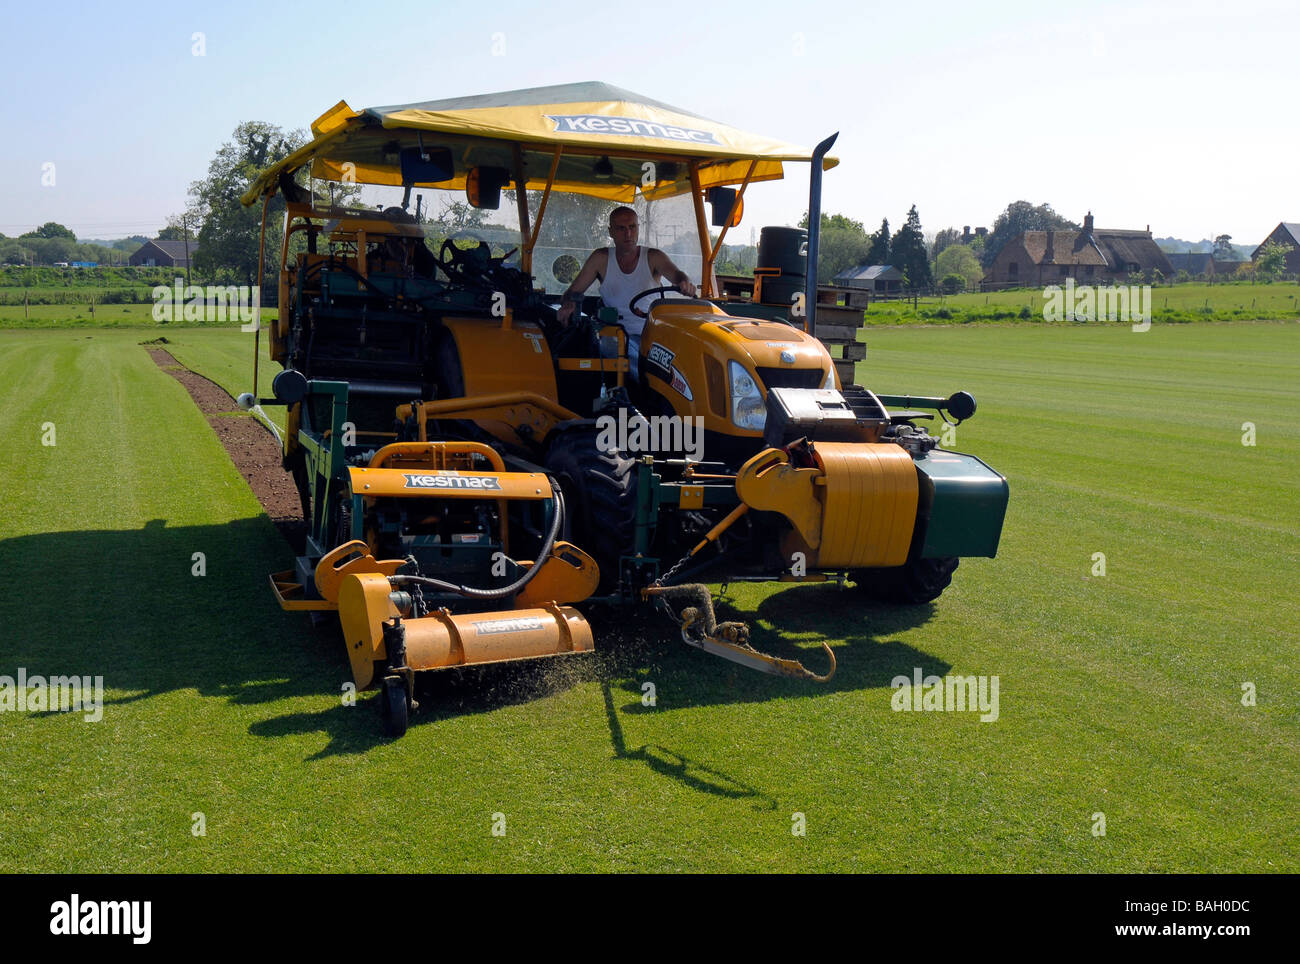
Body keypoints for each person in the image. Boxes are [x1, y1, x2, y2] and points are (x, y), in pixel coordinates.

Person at [556, 206, 697, 378]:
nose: (628, 234)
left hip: (652, 336)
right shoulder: (601, 259)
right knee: (634, 358)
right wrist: (570, 302)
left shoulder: (653, 257)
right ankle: (636, 397)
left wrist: (685, 283)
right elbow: (571, 293)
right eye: (621, 228)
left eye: (632, 227)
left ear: (638, 228)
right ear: (611, 232)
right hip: (614, 335)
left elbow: (677, 275)